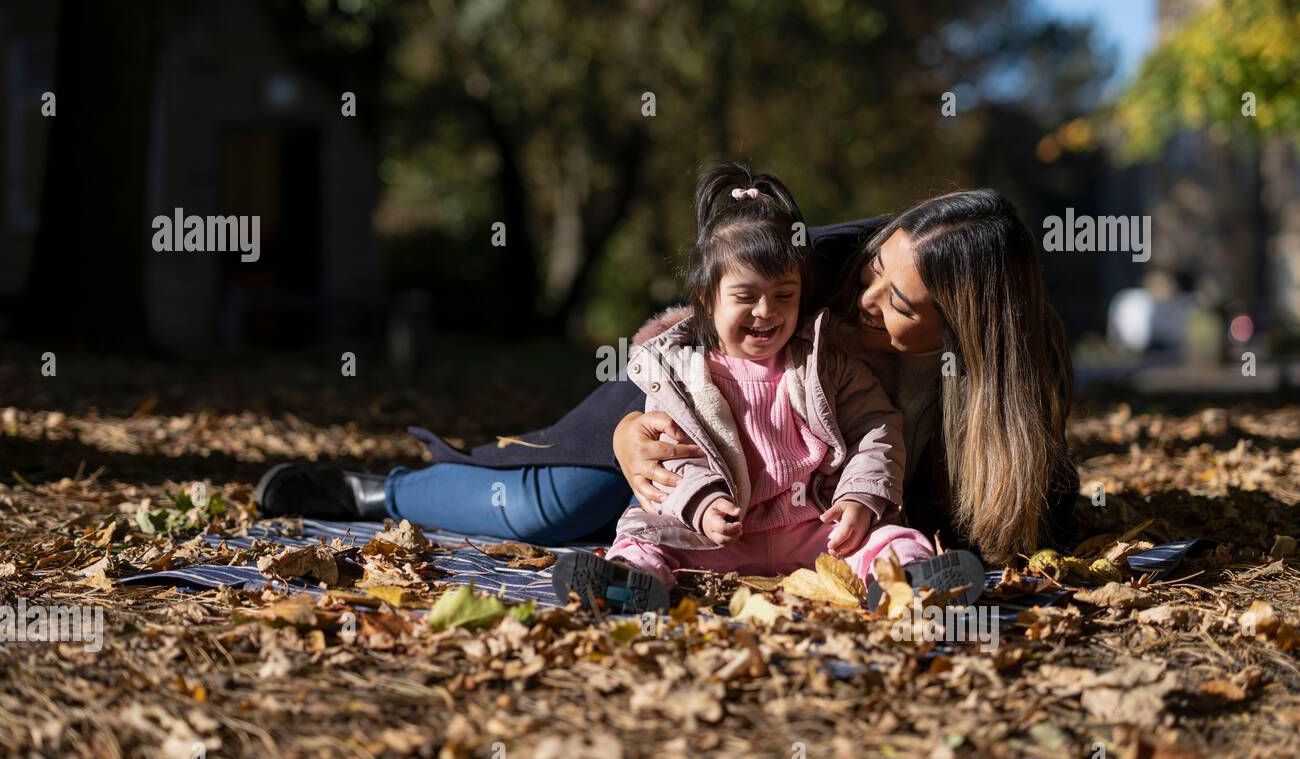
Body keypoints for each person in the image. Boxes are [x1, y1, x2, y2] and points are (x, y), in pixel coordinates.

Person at [257, 187, 1078, 565]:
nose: (863, 293)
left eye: (894, 299)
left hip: (782, 499)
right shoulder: (822, 262)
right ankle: (384, 492)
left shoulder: (1006, 380)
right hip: (693, 394)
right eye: (873, 267)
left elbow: (1030, 499)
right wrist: (624, 432)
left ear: (967, 328)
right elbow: (686, 327)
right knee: (568, 504)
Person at [550, 163, 935, 611]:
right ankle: (627, 585)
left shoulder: (826, 361)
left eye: (784, 295)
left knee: (888, 538)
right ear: (706, 299)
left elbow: (876, 426)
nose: (766, 311)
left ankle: (911, 583)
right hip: (715, 533)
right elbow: (671, 454)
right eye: (746, 297)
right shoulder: (681, 374)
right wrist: (701, 503)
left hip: (813, 530)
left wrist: (861, 496)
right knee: (645, 537)